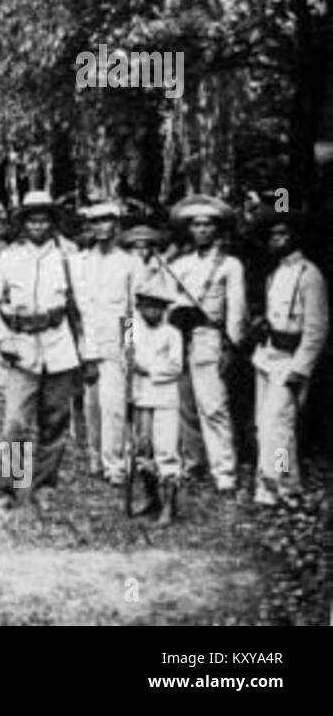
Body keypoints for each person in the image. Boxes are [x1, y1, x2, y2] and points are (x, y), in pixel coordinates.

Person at [0, 191, 86, 512]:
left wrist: (88, 355)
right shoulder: (10, 257)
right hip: (22, 347)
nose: (38, 225)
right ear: (23, 224)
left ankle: (45, 487)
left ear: (53, 222)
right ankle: (4, 490)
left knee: (54, 422)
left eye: (44, 219)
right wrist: (3, 339)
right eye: (32, 219)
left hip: (60, 347)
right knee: (14, 423)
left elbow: (82, 309)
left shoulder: (69, 257)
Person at [168, 195, 245, 495]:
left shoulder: (229, 265)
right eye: (196, 225)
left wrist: (232, 346)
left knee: (213, 407)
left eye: (207, 225)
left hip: (210, 338)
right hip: (180, 337)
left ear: (217, 229)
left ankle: (224, 473)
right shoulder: (181, 263)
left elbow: (236, 310)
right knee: (184, 405)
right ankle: (193, 463)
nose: (201, 230)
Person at [250, 210, 328, 506]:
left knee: (277, 426)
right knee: (266, 424)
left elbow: (316, 329)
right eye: (273, 235)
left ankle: (272, 484)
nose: (276, 239)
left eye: (283, 234)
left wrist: (301, 367)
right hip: (267, 355)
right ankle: (288, 484)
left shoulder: (310, 275)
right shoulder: (275, 274)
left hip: (290, 360)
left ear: (295, 237)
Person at [76, 202, 143, 484]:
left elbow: (133, 311)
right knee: (90, 406)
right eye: (96, 222)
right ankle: (94, 456)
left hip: (115, 346)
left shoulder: (130, 263)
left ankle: (115, 463)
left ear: (116, 226)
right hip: (86, 344)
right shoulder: (79, 262)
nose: (101, 228)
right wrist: (82, 349)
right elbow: (77, 310)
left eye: (107, 222)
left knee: (114, 406)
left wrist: (130, 347)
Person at [129, 271, 184, 524]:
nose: (151, 311)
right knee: (142, 449)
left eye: (157, 307)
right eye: (146, 305)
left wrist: (148, 368)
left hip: (164, 398)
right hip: (140, 397)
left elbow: (175, 366)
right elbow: (125, 358)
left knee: (166, 449)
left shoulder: (173, 333)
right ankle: (151, 498)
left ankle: (169, 505)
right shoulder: (130, 328)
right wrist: (130, 371)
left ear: (164, 309)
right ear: (139, 305)